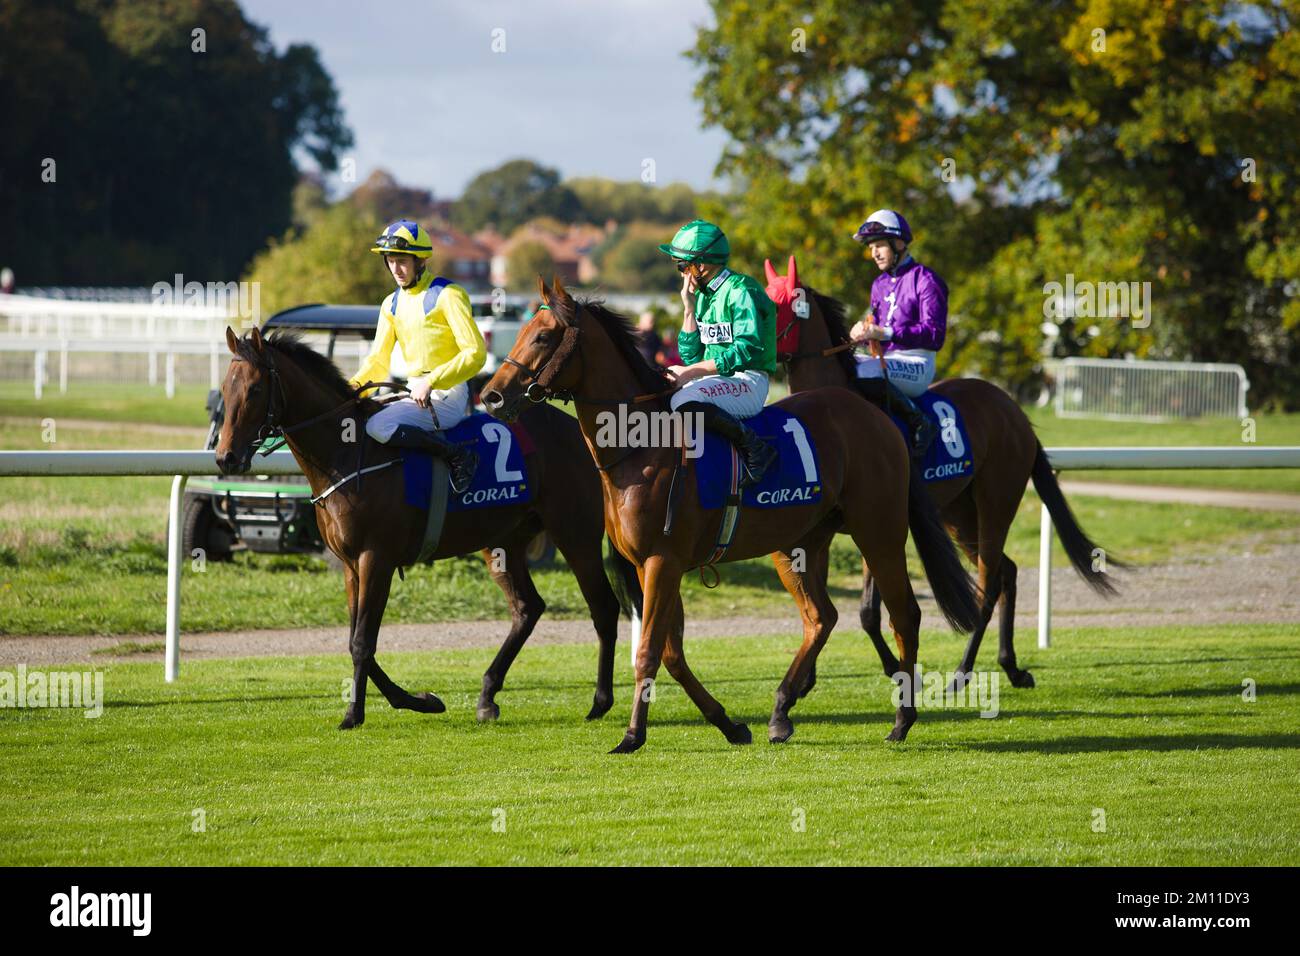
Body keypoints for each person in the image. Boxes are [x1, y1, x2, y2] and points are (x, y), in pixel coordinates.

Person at [350, 219, 486, 493]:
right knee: (360, 417)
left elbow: (476, 353)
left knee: (378, 425)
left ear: (420, 260)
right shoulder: (390, 304)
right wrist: (353, 387)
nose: (396, 269)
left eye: (402, 261)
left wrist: (433, 381)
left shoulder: (449, 295)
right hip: (413, 390)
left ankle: (456, 455)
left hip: (449, 393)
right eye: (390, 261)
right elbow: (377, 361)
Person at [658, 219, 777, 487]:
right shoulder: (701, 297)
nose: (680, 272)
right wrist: (688, 309)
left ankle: (756, 450)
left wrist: (690, 373)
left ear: (702, 265)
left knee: (682, 402)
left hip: (748, 382)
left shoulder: (742, 290)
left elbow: (747, 350)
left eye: (682, 265)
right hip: (717, 381)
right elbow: (691, 356)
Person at [849, 209, 944, 457]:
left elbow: (935, 335)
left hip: (917, 363)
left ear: (899, 243)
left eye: (879, 245)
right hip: (886, 361)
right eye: (871, 247)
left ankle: (920, 421)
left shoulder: (926, 279)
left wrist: (885, 333)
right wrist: (863, 331)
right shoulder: (878, 284)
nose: (874, 254)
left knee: (866, 370)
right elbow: (876, 327)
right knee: (844, 365)